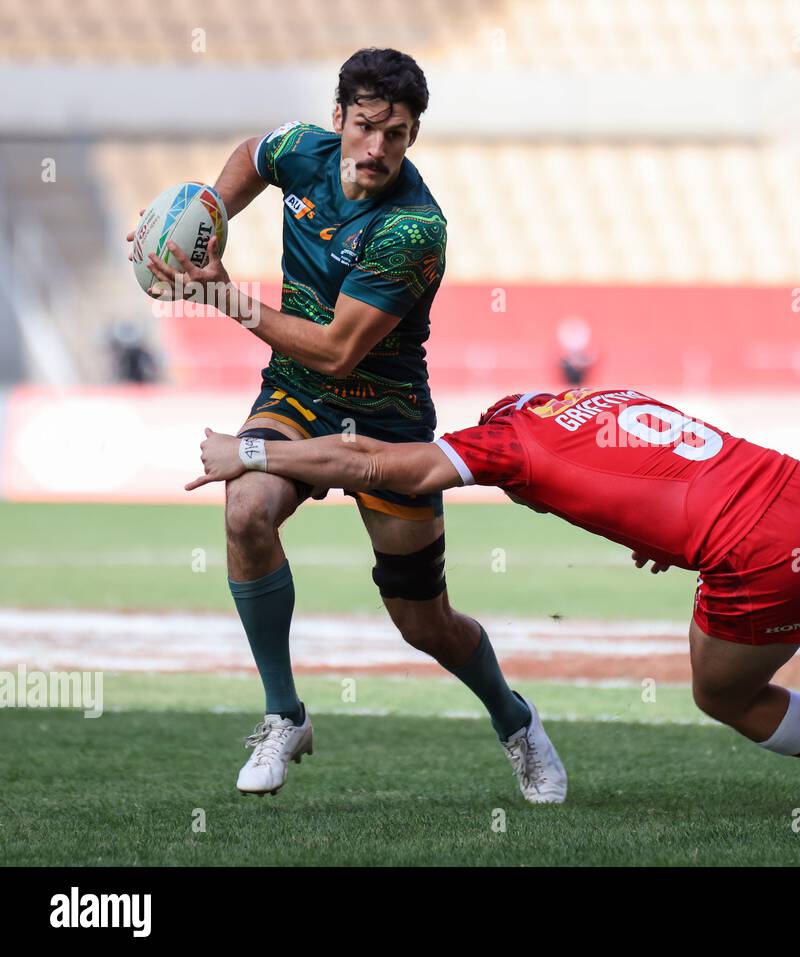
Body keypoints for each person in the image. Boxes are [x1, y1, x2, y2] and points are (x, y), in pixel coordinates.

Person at [188, 387, 800, 815]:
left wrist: (255, 454)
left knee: (724, 696)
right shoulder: (597, 401)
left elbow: (389, 465)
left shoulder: (502, 441)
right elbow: (648, 473)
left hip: (760, 551)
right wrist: (659, 535)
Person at [129, 48, 564, 802]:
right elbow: (251, 156)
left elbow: (336, 350)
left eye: (396, 134)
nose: (377, 148)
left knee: (423, 622)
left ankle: (515, 719)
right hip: (296, 397)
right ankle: (283, 714)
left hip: (387, 420)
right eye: (366, 127)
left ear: (412, 136)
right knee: (246, 510)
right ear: (339, 119)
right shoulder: (303, 149)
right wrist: (201, 222)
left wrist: (224, 296)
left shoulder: (414, 229)